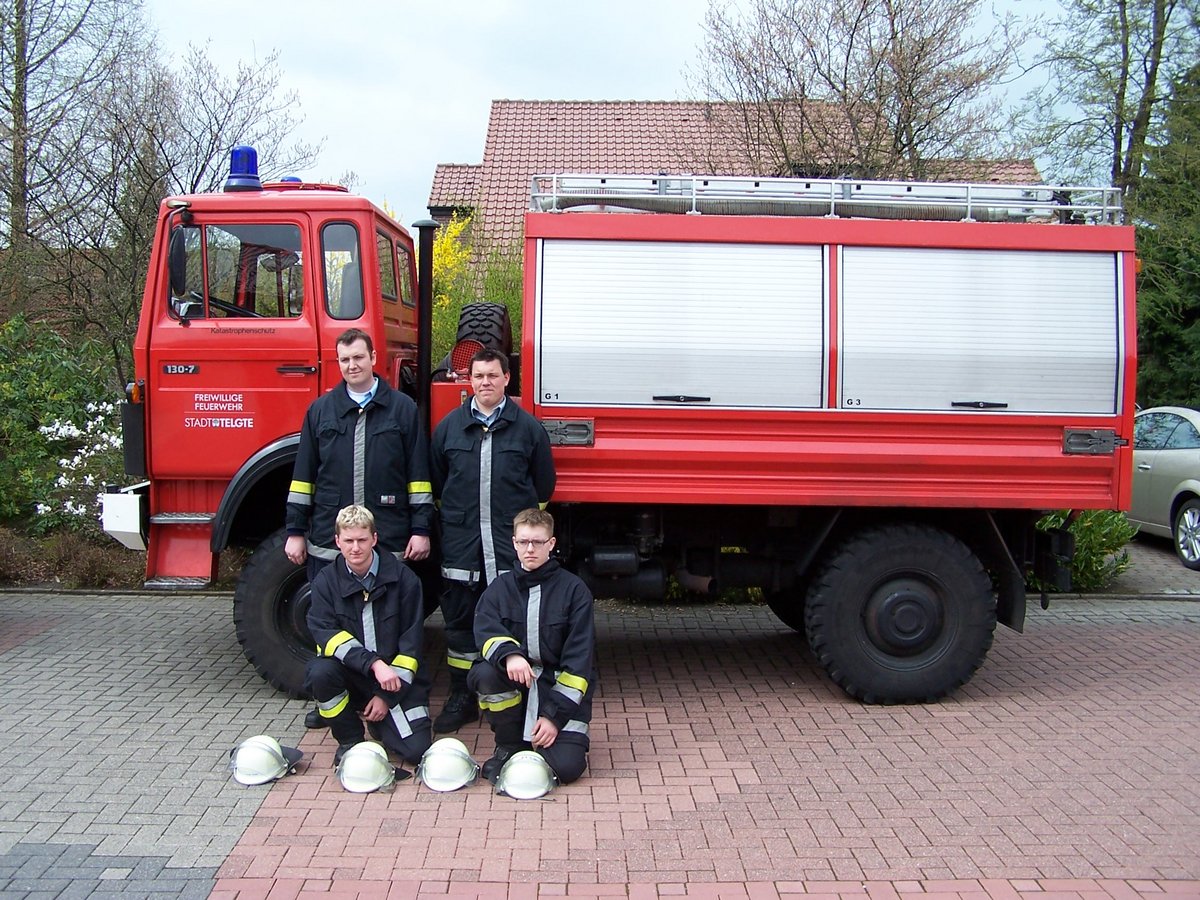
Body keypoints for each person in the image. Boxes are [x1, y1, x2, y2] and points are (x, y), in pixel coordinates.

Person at [285, 327, 433, 728]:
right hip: (329, 542)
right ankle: (332, 696)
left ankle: (387, 692)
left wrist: (421, 528)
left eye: (358, 358)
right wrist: (295, 530)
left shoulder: (402, 410)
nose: (352, 365)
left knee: (390, 622)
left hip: (388, 535)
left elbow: (418, 476)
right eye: (344, 360)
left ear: (373, 359)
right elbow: (303, 477)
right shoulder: (321, 411)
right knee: (329, 621)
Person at [429, 347, 556, 732]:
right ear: (470, 381)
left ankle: (514, 701)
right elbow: (437, 483)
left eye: (492, 375)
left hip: (506, 551)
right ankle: (462, 698)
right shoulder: (449, 428)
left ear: (506, 379)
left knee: (513, 625)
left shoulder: (528, 429)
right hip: (462, 550)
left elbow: (543, 486)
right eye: (478, 376)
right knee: (461, 629)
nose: (485, 382)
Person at [468, 508, 595, 784]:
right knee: (485, 673)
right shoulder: (499, 589)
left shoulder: (575, 591)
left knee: (566, 769)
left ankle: (549, 736)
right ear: (514, 543)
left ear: (551, 544)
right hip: (519, 685)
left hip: (558, 693)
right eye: (523, 542)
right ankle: (510, 743)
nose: (530, 549)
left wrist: (553, 717)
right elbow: (485, 632)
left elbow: (579, 663)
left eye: (537, 542)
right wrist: (509, 655)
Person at [305, 505, 432, 773]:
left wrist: (385, 696)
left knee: (416, 750)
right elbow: (327, 636)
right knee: (320, 672)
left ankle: (379, 721)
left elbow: (412, 646)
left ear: (374, 538)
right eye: (348, 541)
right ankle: (349, 739)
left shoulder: (404, 580)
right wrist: (373, 664)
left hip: (395, 681)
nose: (355, 548)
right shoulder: (325, 582)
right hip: (352, 675)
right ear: (337, 541)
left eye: (362, 540)